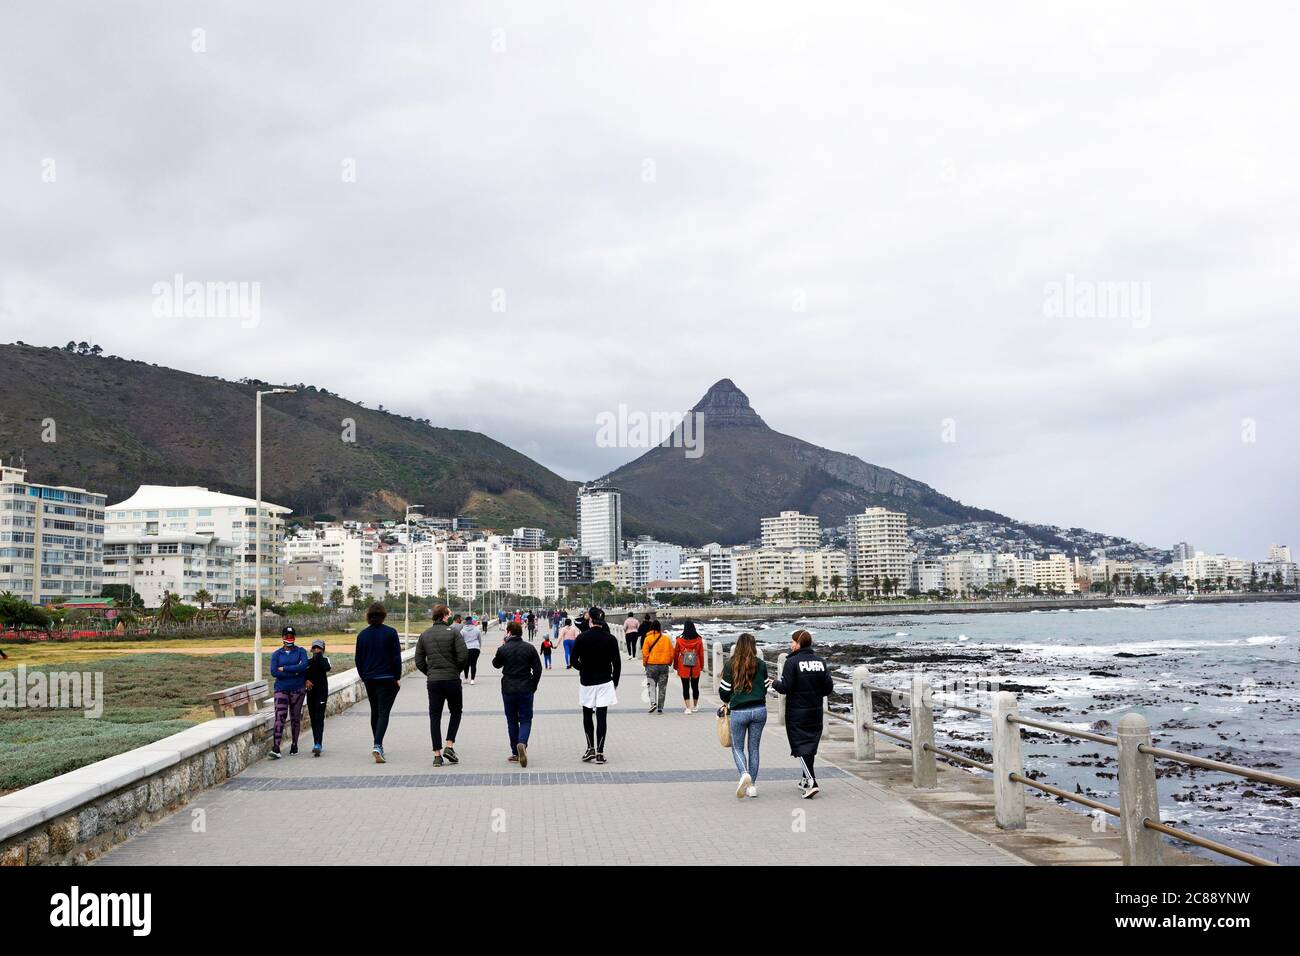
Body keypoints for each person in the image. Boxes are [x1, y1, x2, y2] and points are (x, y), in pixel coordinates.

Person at [771, 629, 834, 798]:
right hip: (815, 710)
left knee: (800, 746)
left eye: (793, 642)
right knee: (809, 746)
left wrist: (774, 683)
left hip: (797, 712)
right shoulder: (820, 662)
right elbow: (828, 688)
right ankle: (805, 779)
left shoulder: (791, 662)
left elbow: (785, 687)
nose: (791, 645)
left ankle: (812, 781)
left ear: (799, 644)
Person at [416, 603, 469, 766]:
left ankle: (437, 755)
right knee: (456, 711)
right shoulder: (453, 633)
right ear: (445, 616)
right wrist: (455, 671)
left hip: (434, 682)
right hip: (452, 680)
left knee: (435, 716)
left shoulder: (424, 635)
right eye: (449, 614)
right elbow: (463, 655)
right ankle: (449, 745)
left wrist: (430, 673)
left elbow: (419, 661)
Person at [718, 632, 769, 798]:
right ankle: (752, 786)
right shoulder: (761, 664)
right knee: (754, 748)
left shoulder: (730, 664)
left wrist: (728, 699)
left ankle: (744, 774)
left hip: (739, 711)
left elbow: (724, 692)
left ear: (737, 646)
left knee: (737, 747)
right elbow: (766, 687)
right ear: (753, 647)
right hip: (760, 710)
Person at [354, 602, 403, 763]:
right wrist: (397, 677)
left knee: (375, 711)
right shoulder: (390, 633)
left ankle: (377, 743)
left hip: (370, 679)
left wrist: (364, 676)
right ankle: (377, 744)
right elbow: (396, 657)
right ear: (383, 616)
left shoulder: (362, 635)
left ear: (369, 616)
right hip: (387, 678)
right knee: (383, 712)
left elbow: (358, 660)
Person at [571, 607, 620, 764]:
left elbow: (573, 661)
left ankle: (590, 748)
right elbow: (617, 664)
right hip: (605, 681)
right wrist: (615, 683)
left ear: (590, 619)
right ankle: (600, 752)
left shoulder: (582, 638)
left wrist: (583, 669)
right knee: (602, 716)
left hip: (587, 681)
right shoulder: (611, 639)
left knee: (587, 715)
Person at [492, 620, 543, 765]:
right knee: (526, 719)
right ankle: (522, 743)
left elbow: (496, 664)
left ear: (508, 632)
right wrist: (533, 685)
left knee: (512, 720)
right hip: (526, 687)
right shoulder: (529, 648)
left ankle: (515, 752)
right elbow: (538, 669)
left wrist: (502, 646)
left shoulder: (504, 649)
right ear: (521, 632)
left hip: (508, 688)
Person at [269, 626, 309, 758]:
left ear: (295, 638)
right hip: (281, 689)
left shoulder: (301, 651)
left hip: (298, 689)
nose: (289, 638)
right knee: (279, 717)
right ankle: (276, 748)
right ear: (282, 638)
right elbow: (274, 672)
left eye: (291, 636)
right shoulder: (276, 654)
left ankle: (294, 745)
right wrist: (295, 672)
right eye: (286, 636)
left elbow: (304, 666)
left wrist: (284, 669)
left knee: (295, 717)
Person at [304, 638, 332, 756]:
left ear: (323, 649)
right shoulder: (308, 662)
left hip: (321, 694)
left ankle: (318, 744)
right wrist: (306, 681)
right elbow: (303, 674)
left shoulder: (325, 660)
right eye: (314, 648)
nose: (316, 650)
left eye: (319, 648)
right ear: (311, 649)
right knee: (313, 718)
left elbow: (327, 668)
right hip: (311, 694)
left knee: (319, 718)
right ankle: (316, 742)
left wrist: (319, 657)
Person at [640, 616, 674, 714]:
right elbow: (671, 652)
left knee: (651, 685)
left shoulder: (647, 639)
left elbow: (645, 653)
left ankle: (653, 703)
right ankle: (660, 707)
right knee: (662, 687)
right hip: (663, 666)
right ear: (660, 628)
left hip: (651, 665)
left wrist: (645, 663)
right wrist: (669, 662)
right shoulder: (666, 639)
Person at [672, 619, 706, 714]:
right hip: (696, 666)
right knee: (695, 687)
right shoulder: (699, 640)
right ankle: (695, 706)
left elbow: (676, 654)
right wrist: (702, 666)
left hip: (683, 666)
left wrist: (675, 666)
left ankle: (688, 708)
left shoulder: (679, 640)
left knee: (685, 687)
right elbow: (701, 654)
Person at [461, 615, 483, 684]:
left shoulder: (462, 630)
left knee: (466, 664)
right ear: (472, 622)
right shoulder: (477, 629)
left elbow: (461, 641)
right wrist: (479, 647)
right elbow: (479, 640)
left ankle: (466, 678)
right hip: (475, 648)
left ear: (465, 622)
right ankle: (472, 680)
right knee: (473, 664)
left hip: (466, 648)